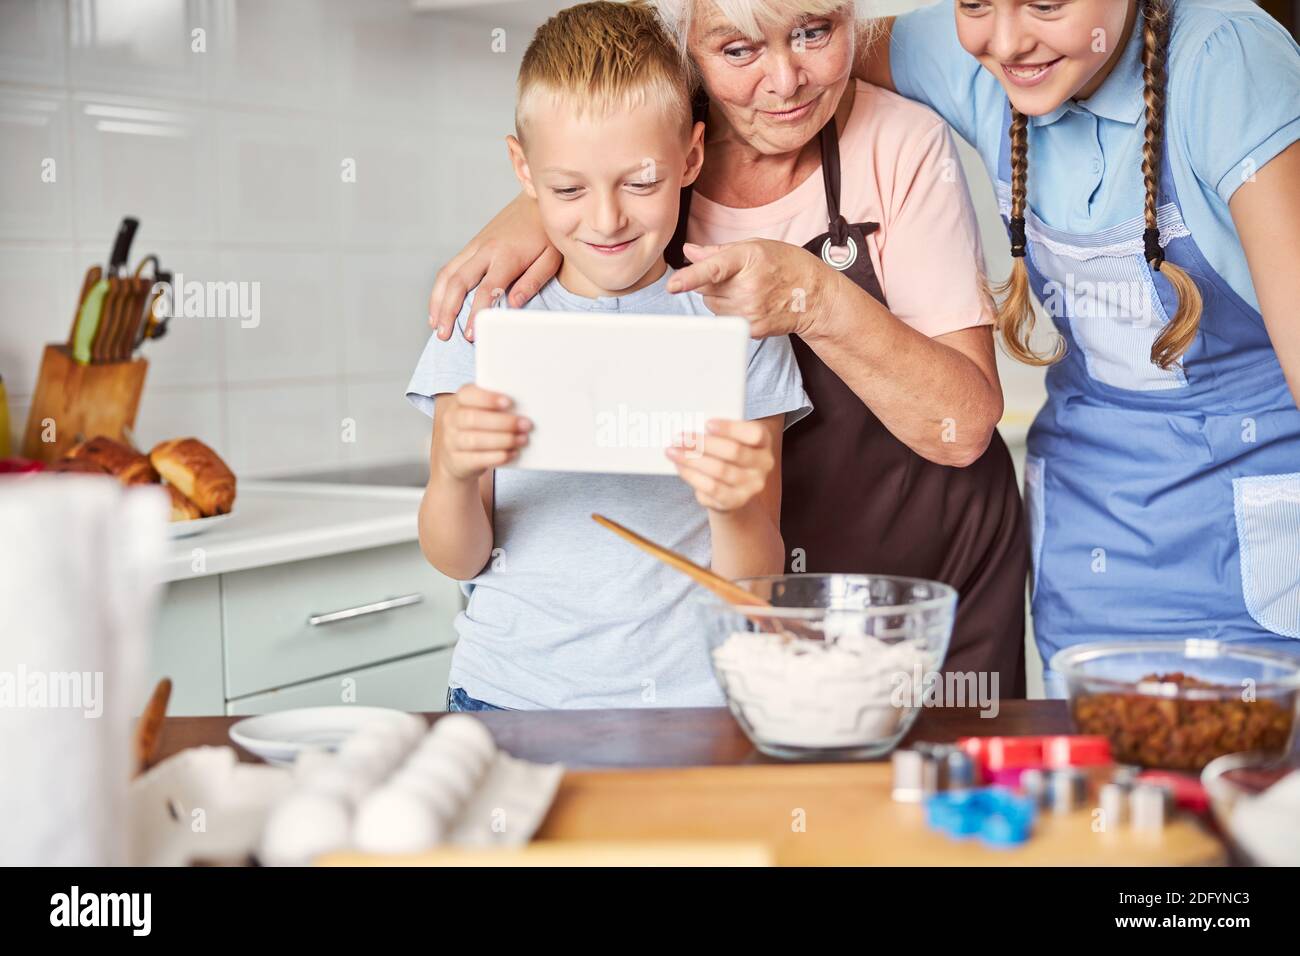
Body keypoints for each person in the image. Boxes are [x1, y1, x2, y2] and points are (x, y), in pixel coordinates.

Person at [428, 0, 1031, 697]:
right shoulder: (645, 161)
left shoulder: (902, 144)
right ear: (686, 44)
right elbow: (592, 173)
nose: (784, 81)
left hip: (913, 590)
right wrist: (532, 209)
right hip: (730, 627)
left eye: (814, 33)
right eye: (738, 50)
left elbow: (959, 430)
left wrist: (812, 296)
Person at [856, 0, 1300, 690]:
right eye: (973, 4)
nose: (1005, 43)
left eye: (1046, 4)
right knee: (1099, 795)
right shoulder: (967, 53)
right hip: (1089, 554)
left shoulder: (1227, 61)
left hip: (1259, 560)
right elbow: (797, 59)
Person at [406, 1, 811, 711]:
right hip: (507, 696)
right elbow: (456, 557)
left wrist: (732, 503)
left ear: (690, 157)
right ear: (522, 171)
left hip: (692, 704)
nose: (606, 219)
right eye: (568, 189)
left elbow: (753, 583)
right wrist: (451, 472)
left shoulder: (738, 326)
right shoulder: (485, 325)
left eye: (642, 182)